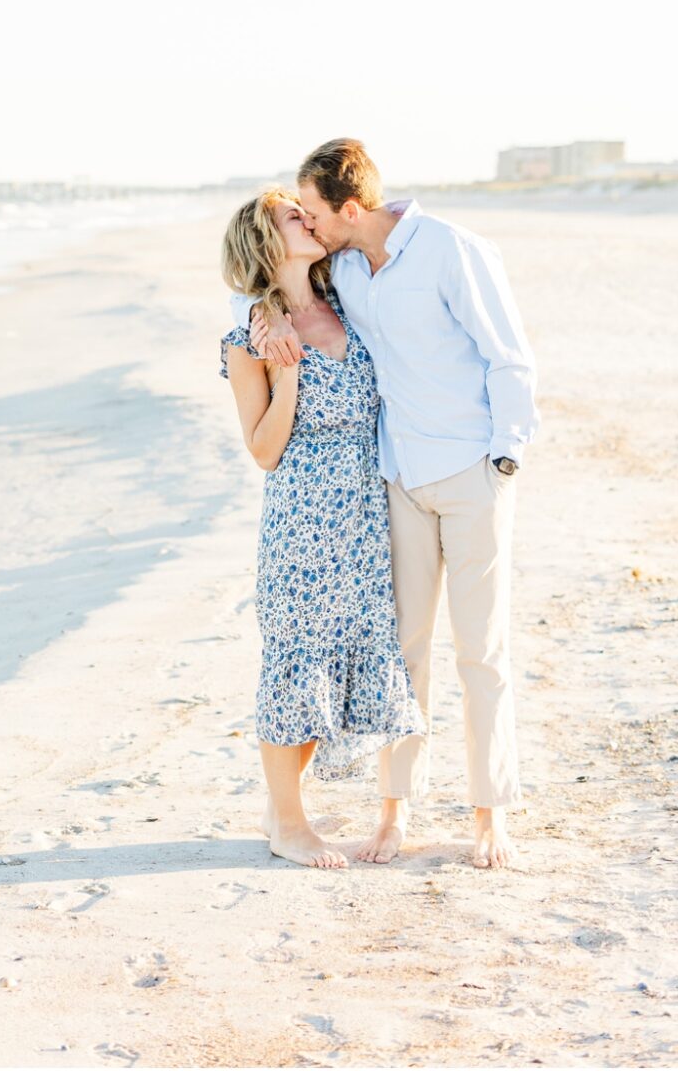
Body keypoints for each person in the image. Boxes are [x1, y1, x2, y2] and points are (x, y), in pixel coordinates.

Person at [237, 137, 541, 870]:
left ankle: (488, 814)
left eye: (311, 210)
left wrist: (505, 455)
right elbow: (262, 280)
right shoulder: (341, 268)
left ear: (348, 208)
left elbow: (508, 354)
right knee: (400, 657)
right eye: (299, 217)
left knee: (481, 652)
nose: (306, 223)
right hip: (395, 479)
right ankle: (393, 812)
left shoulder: (451, 250)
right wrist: (262, 319)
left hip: (472, 470)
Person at [219, 186, 424, 869]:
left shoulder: (346, 302)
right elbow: (262, 451)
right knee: (295, 667)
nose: (307, 219)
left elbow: (384, 210)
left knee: (345, 661)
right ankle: (288, 823)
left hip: (363, 521)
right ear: (266, 242)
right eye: (290, 217)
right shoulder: (249, 337)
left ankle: (283, 810)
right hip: (301, 525)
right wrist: (287, 382)